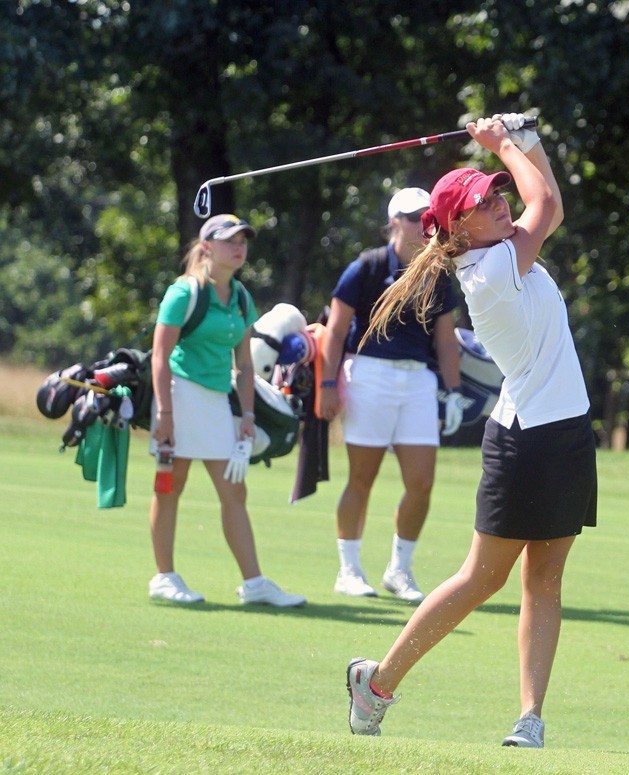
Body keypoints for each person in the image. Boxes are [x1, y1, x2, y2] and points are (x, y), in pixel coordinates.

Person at [344, 113, 597, 748]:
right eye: (485, 201)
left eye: (496, 192)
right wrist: (504, 144)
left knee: (547, 580)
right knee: (484, 577)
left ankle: (530, 719)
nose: (500, 201)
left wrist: (525, 138)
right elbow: (543, 199)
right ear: (460, 227)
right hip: (526, 440)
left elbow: (546, 200)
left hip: (565, 433)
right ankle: (376, 684)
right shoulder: (488, 272)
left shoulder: (507, 248)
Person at [147, 213, 306, 608]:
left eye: (243, 241)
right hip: (178, 396)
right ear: (207, 248)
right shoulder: (183, 292)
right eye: (229, 241)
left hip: (217, 401)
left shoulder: (240, 296)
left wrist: (249, 418)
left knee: (234, 491)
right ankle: (164, 577)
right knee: (170, 485)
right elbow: (160, 358)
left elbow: (245, 366)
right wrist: (165, 415)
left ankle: (254, 584)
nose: (239, 248)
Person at [318, 188, 464, 603]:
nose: (423, 224)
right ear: (394, 221)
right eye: (413, 217)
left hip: (418, 381)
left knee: (421, 482)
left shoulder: (436, 273)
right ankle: (348, 570)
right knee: (361, 479)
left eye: (427, 217)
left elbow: (447, 340)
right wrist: (328, 384)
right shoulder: (366, 267)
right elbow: (335, 330)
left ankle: (400, 570)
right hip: (369, 375)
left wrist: (452, 393)